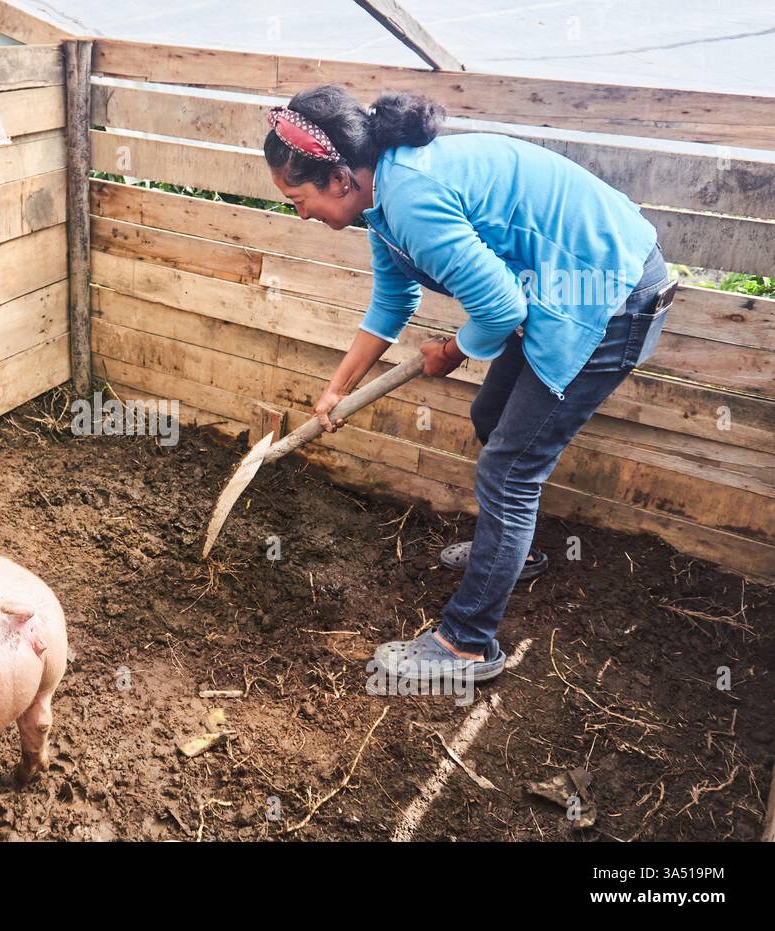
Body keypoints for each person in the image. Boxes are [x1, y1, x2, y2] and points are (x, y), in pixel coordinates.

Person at [263, 86, 674, 684]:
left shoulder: (411, 198)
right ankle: (514, 554)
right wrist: (336, 388)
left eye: (297, 198)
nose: (299, 212)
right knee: (492, 422)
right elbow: (392, 300)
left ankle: (466, 645)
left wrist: (453, 350)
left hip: (608, 298)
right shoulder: (383, 199)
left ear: (340, 179)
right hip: (558, 290)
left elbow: (502, 309)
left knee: (509, 472)